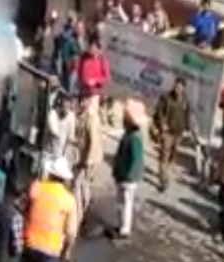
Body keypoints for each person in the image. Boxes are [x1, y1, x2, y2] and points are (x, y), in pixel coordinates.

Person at [22, 158, 79, 262]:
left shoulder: (36, 187)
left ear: (50, 174)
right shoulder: (69, 200)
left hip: (30, 243)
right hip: (50, 249)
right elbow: (71, 232)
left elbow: (24, 209)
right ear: (65, 179)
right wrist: (67, 250)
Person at [111, 99, 147, 239]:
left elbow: (136, 160)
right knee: (122, 203)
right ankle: (121, 226)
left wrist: (127, 175)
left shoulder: (134, 137)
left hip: (127, 178)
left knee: (125, 203)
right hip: (124, 176)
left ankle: (124, 229)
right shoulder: (130, 134)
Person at [68, 95, 104, 230]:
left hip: (89, 159)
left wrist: (88, 161)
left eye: (84, 100)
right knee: (83, 186)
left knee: (77, 185)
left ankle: (78, 217)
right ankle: (84, 210)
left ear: (88, 102)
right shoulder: (82, 114)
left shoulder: (91, 118)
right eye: (80, 100)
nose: (81, 103)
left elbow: (93, 141)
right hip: (83, 157)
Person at [153, 78, 192, 191]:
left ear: (183, 88)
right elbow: (159, 111)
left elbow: (187, 115)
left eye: (180, 87)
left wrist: (188, 129)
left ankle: (166, 172)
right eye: (176, 86)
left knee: (173, 155)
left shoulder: (185, 100)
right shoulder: (166, 97)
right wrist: (162, 125)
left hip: (178, 132)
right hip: (167, 132)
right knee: (164, 154)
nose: (177, 89)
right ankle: (163, 180)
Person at [44, 94, 75, 161]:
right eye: (64, 106)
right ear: (60, 106)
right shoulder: (52, 114)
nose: (66, 109)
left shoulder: (71, 116)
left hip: (62, 152)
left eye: (68, 107)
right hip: (49, 150)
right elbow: (54, 132)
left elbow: (70, 136)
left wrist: (64, 153)